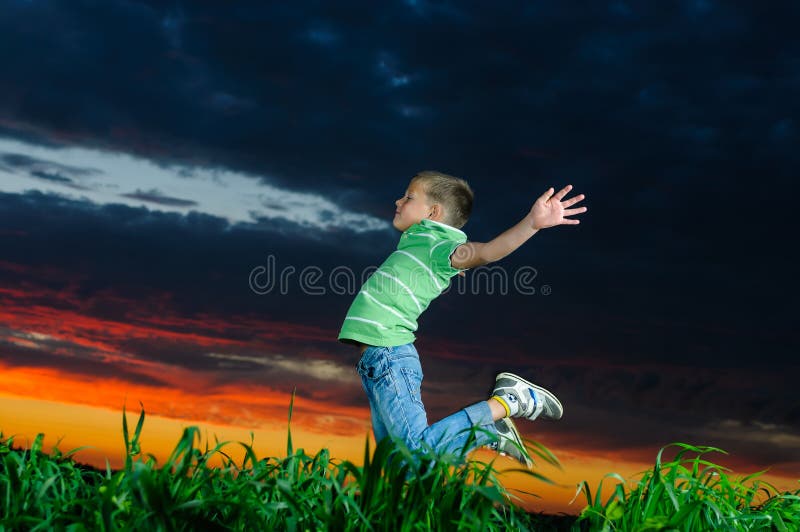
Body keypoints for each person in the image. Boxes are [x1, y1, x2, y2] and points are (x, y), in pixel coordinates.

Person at [338, 171, 587, 467]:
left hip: (390, 356)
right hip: (374, 362)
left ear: (433, 213)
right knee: (400, 467)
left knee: (414, 453)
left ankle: (508, 402)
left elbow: (487, 252)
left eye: (408, 197)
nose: (398, 201)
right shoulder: (415, 243)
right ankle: (484, 431)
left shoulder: (438, 247)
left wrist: (532, 223)